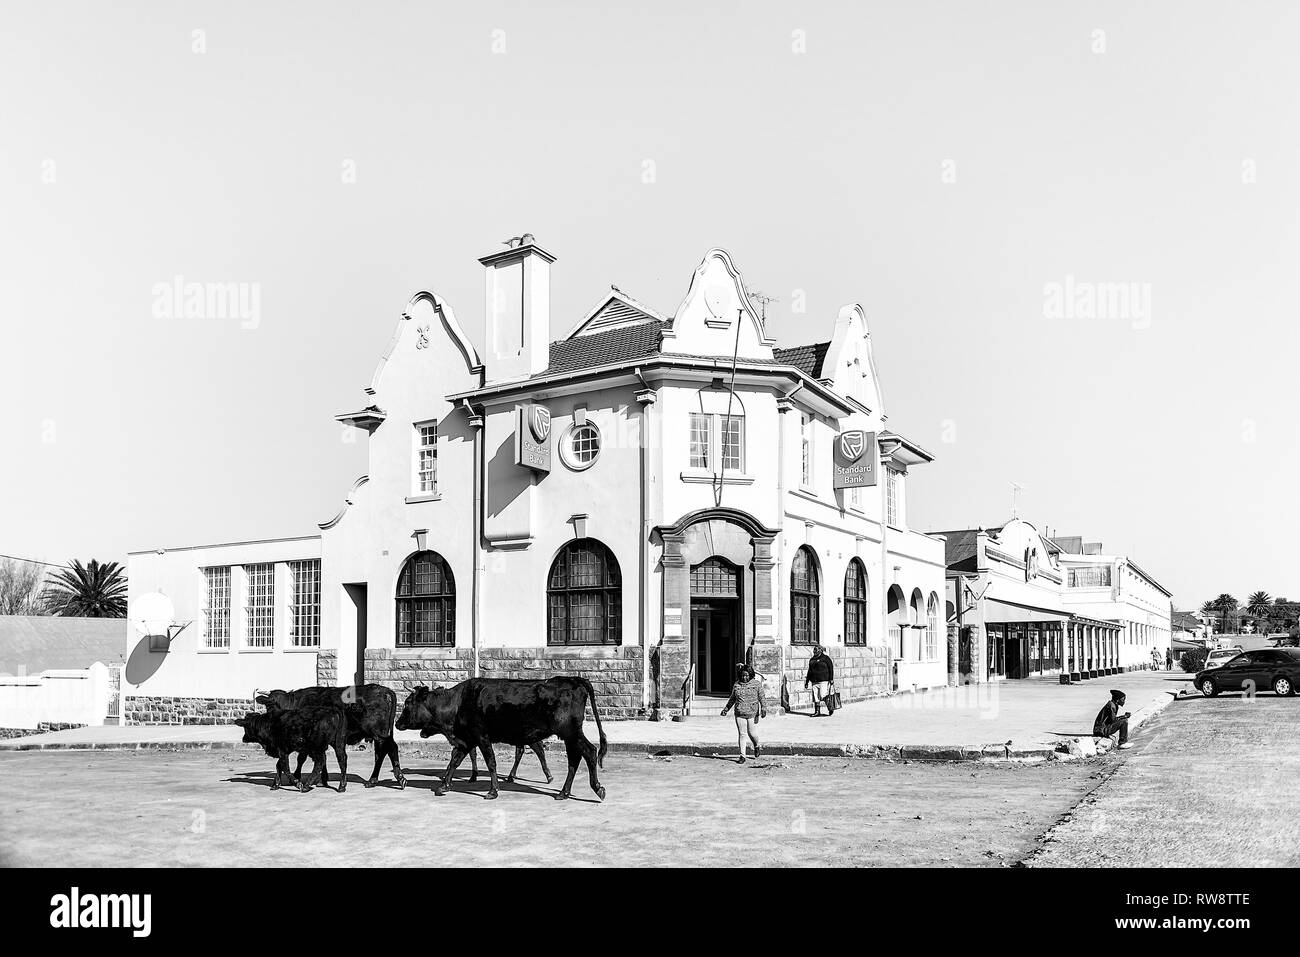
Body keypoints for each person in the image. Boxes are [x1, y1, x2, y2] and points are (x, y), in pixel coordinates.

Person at [720, 663, 766, 764]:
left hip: (752, 712)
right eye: (742, 675)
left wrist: (763, 708)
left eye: (746, 675)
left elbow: (762, 697)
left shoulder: (756, 684)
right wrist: (726, 709)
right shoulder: (737, 685)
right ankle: (742, 755)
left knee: (752, 733)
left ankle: (757, 745)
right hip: (740, 712)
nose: (744, 677)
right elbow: (732, 698)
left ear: (750, 675)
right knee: (742, 734)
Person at [804, 644, 835, 716]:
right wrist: (807, 681)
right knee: (815, 696)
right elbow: (809, 671)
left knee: (823, 695)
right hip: (814, 680)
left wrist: (831, 679)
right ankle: (817, 711)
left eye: (816, 650)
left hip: (823, 680)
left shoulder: (826, 658)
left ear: (820, 650)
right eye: (814, 650)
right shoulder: (812, 659)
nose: (814, 651)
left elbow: (831, 668)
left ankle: (830, 707)